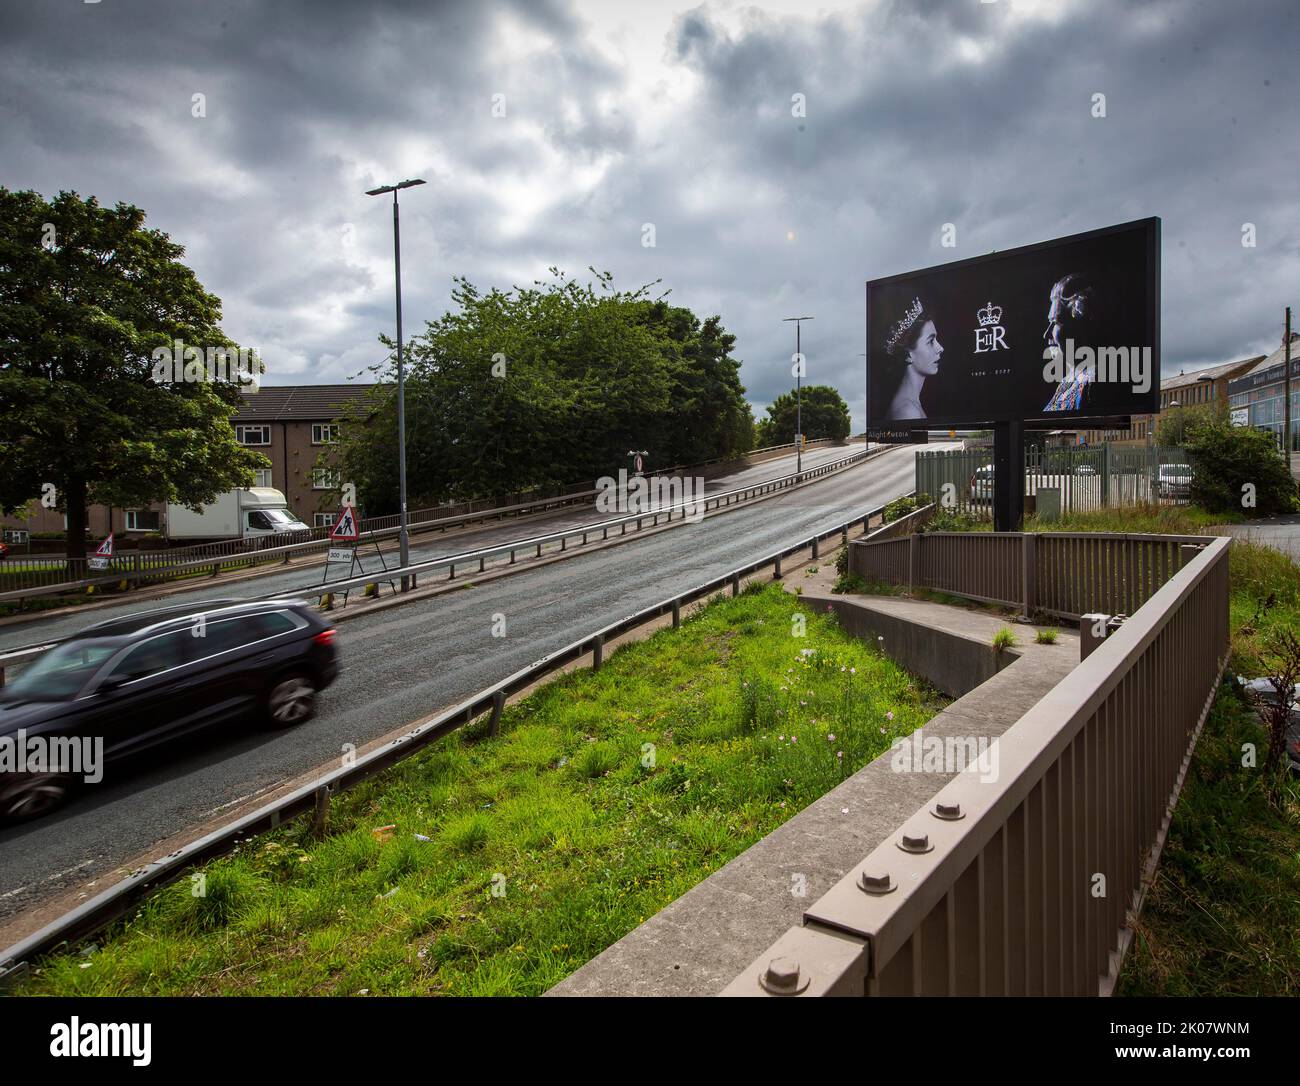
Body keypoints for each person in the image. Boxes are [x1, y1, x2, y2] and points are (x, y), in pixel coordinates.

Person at [884, 297, 943, 421]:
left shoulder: (912, 403)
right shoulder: (908, 411)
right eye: (931, 341)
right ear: (909, 354)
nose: (940, 348)